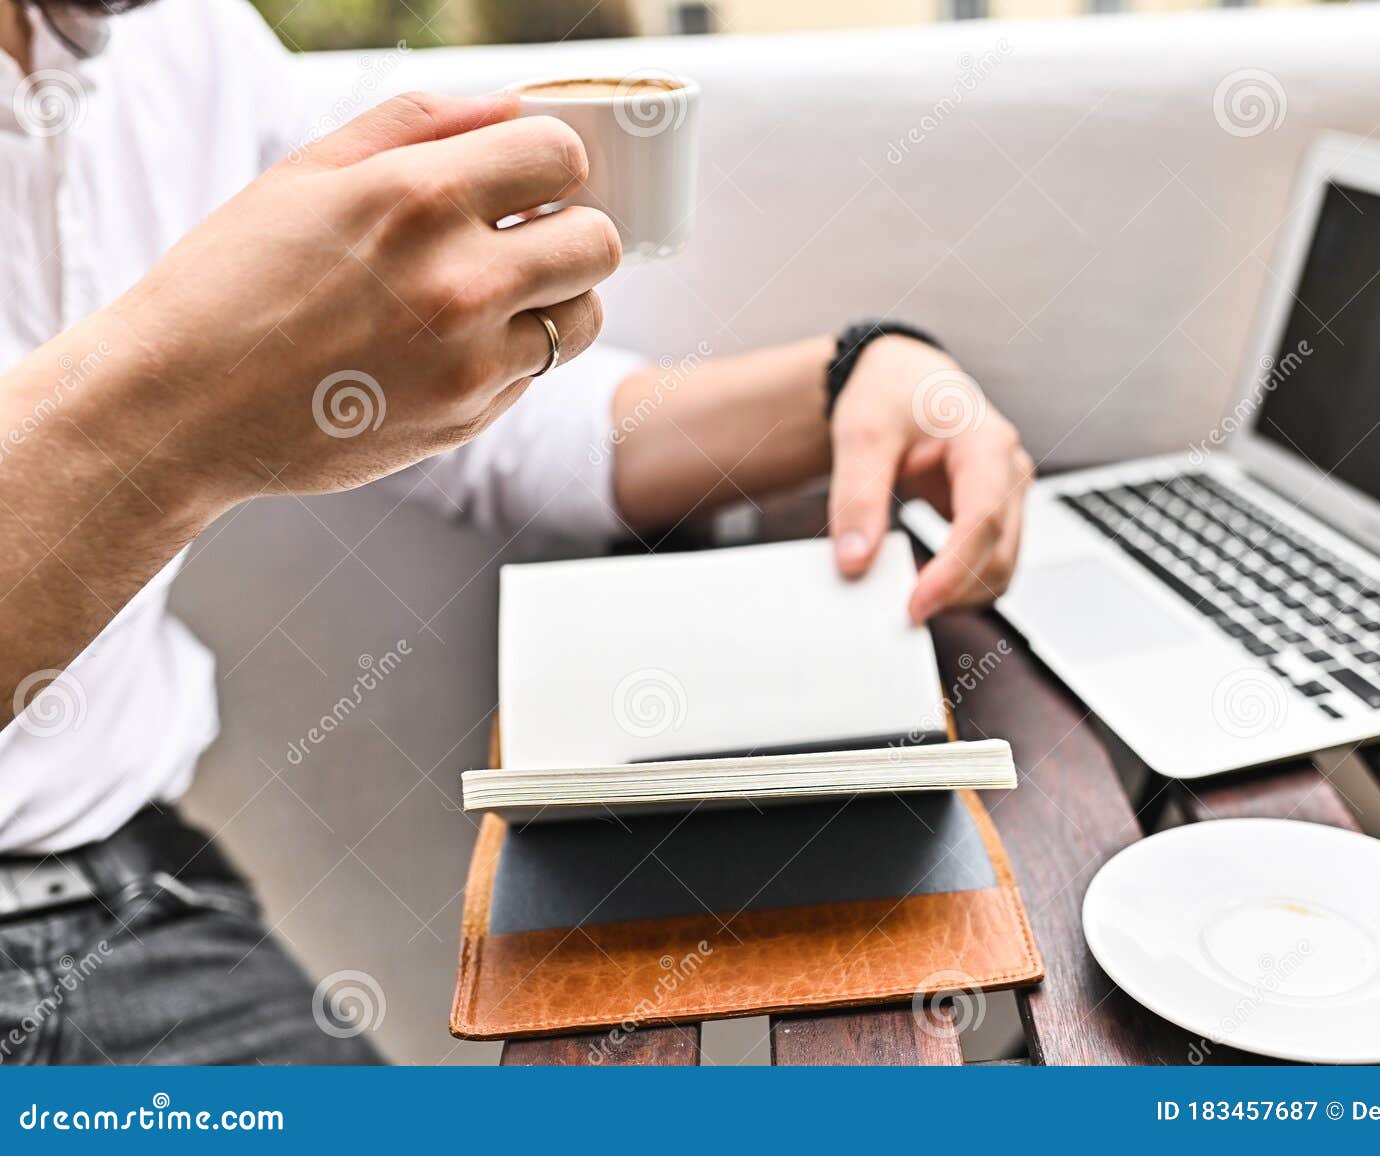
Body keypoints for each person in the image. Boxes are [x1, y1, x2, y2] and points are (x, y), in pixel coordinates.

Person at [0, 0, 1032, 1064]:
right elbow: (202, 394)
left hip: (141, 899)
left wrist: (855, 375)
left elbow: (505, 424)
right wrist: (175, 412)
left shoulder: (190, 41)